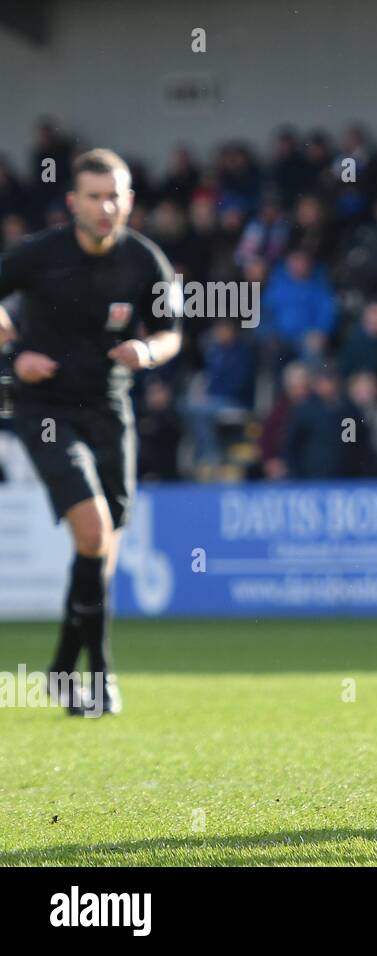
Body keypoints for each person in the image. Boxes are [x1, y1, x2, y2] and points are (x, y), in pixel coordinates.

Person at [0, 149, 182, 717]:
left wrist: (148, 350)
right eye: (95, 196)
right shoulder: (38, 255)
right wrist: (13, 349)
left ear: (129, 200)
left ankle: (59, 673)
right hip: (45, 408)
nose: (107, 207)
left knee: (102, 552)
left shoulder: (146, 260)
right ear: (72, 201)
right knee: (94, 528)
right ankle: (101, 678)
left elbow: (173, 331)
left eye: (116, 196)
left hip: (109, 409)